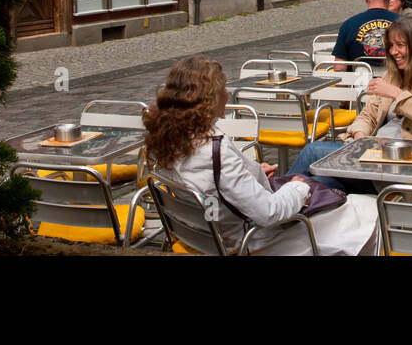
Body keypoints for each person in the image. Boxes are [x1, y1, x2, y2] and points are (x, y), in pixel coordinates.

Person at [142, 55, 379, 254]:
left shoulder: (167, 140)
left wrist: (251, 172)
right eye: (223, 87)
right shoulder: (215, 151)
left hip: (207, 232)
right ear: (209, 99)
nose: (227, 93)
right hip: (254, 240)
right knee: (368, 210)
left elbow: (211, 187)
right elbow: (270, 213)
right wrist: (298, 188)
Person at [287, 13, 412, 189]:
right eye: (391, 46)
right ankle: (279, 205)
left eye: (400, 45)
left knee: (312, 151)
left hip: (411, 161)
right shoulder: (393, 74)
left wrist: (397, 95)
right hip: (375, 157)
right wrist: (360, 137)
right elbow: (368, 114)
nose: (393, 52)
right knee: (316, 184)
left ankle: (273, 203)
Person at [332, 0, 398, 64]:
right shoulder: (404, 23)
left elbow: (339, 67)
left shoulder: (348, 25)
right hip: (396, 76)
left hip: (359, 76)